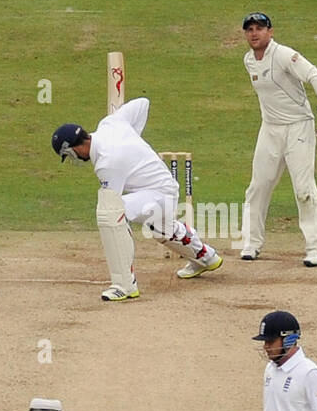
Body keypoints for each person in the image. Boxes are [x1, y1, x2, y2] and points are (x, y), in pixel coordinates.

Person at [51, 96, 222, 301]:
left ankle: (124, 285)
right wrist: (133, 139)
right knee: (161, 230)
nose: (73, 159)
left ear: (75, 148)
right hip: (159, 190)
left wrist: (130, 147)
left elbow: (113, 202)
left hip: (160, 194)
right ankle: (206, 257)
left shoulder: (107, 163)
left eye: (69, 154)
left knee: (110, 213)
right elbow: (143, 103)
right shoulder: (110, 123)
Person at [239, 12, 317, 266]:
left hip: (298, 128)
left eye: (260, 28)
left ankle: (316, 249)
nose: (254, 33)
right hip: (270, 129)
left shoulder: (284, 54)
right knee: (258, 186)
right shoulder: (248, 60)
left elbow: (316, 75)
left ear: (270, 32)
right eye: (250, 29)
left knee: (303, 189)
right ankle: (251, 244)